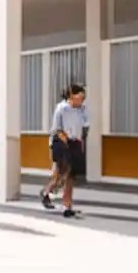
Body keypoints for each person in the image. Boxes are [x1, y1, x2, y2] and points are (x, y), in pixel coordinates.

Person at [41, 84, 89, 218]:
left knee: (70, 176)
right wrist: (67, 143)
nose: (82, 100)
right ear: (72, 96)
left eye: (83, 98)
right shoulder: (61, 108)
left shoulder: (83, 109)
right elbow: (57, 129)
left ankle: (66, 205)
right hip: (60, 141)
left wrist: (80, 143)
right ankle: (51, 195)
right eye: (80, 97)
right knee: (64, 173)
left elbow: (85, 127)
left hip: (75, 142)